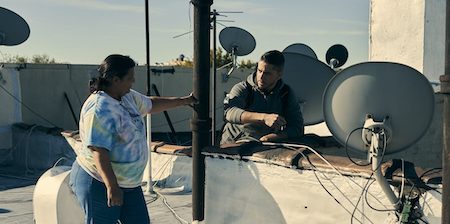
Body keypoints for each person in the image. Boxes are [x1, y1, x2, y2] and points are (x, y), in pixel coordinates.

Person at [69, 54, 196, 224]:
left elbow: (151, 104)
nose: (133, 81)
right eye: (129, 78)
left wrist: (184, 101)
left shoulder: (126, 96)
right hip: (100, 181)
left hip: (129, 184)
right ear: (115, 79)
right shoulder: (100, 108)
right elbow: (99, 151)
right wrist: (112, 186)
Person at [220, 50, 304, 145]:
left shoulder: (286, 94)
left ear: (279, 75)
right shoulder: (243, 88)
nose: (261, 77)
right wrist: (263, 118)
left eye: (267, 73)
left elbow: (297, 128)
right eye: (259, 71)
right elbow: (230, 112)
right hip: (233, 147)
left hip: (263, 149)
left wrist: (276, 136)